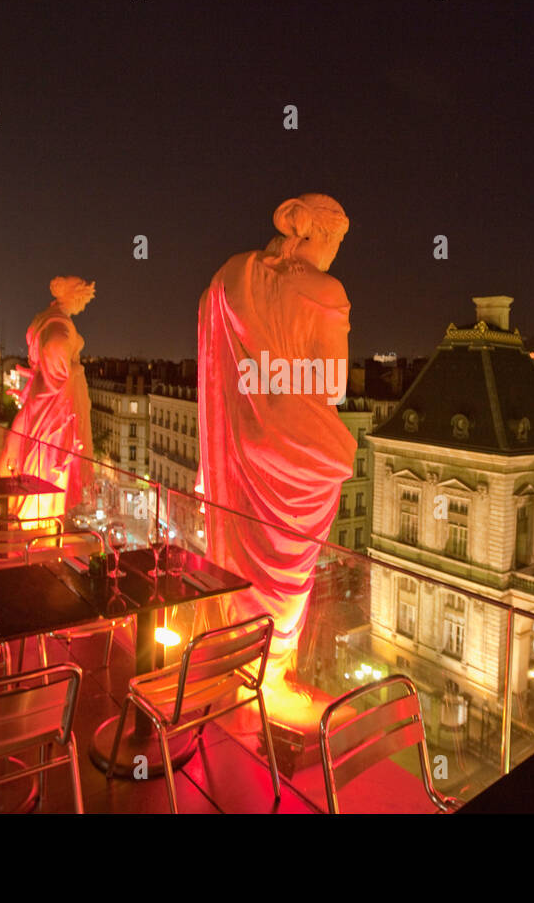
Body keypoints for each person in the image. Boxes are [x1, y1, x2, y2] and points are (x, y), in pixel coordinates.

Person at [197, 193, 355, 728]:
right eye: (336, 241)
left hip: (247, 442)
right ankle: (269, 674)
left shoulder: (237, 276)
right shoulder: (326, 290)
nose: (336, 253)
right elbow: (331, 384)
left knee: (249, 559)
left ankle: (241, 664)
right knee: (289, 574)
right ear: (321, 236)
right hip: (297, 448)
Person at [0, 277, 96, 522]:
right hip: (55, 400)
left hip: (44, 394)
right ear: (74, 297)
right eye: (83, 301)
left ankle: (37, 517)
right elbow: (55, 344)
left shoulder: (45, 317)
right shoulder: (59, 322)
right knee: (49, 458)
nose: (83, 308)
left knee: (39, 453)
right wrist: (69, 371)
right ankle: (40, 523)